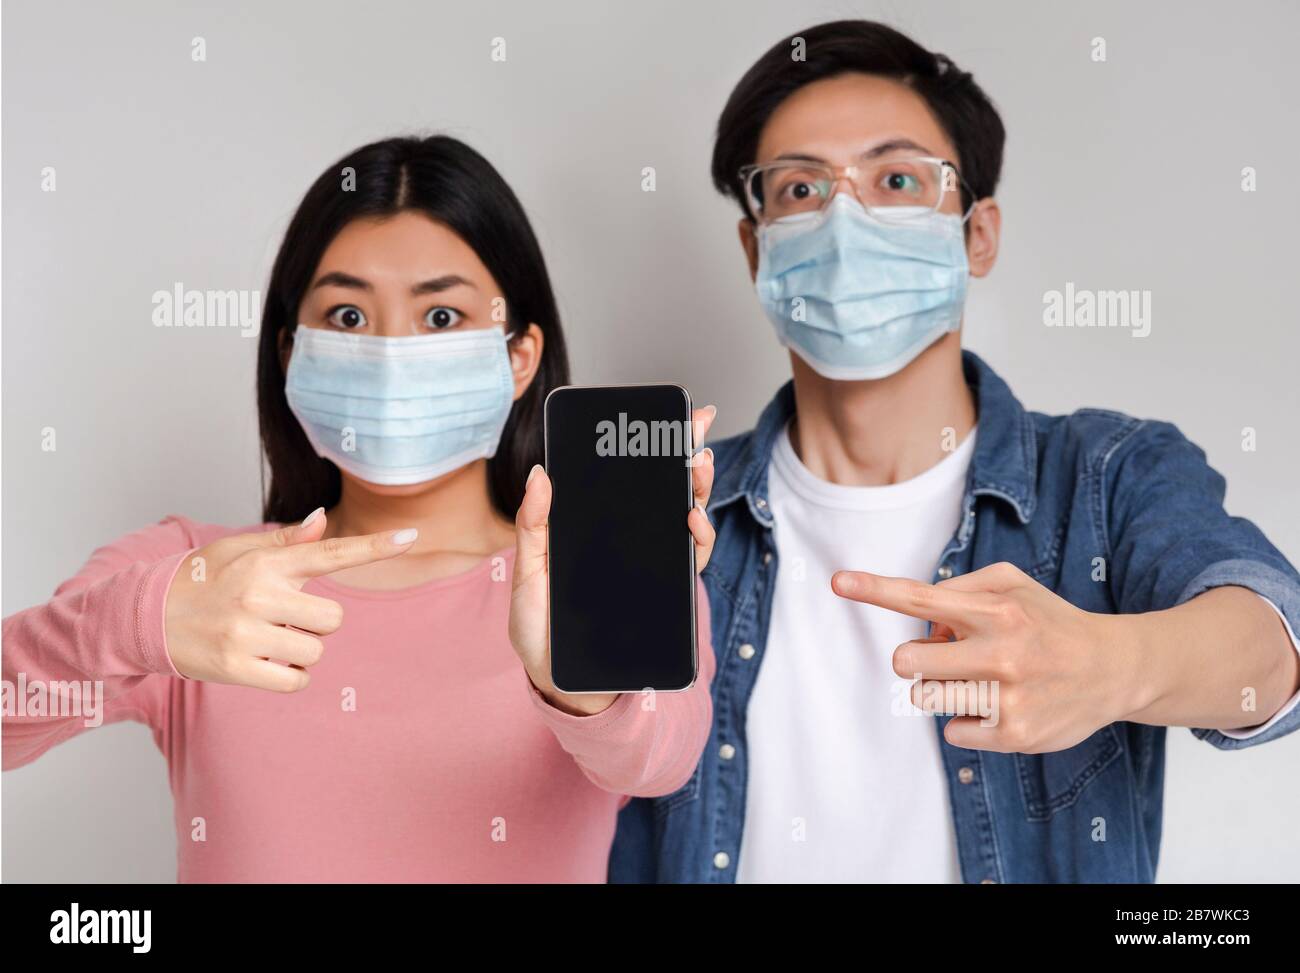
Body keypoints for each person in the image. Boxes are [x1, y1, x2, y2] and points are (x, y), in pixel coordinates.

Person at [609, 20, 1300, 884]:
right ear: (756, 249)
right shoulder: (669, 505)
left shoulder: (1104, 474)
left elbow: (1273, 657)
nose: (844, 218)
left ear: (978, 234)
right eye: (798, 189)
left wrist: (1111, 665)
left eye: (897, 179)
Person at [2, 135, 719, 883]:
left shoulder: (588, 578)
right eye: (347, 316)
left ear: (519, 358)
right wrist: (141, 621)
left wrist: (581, 673)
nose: (388, 353)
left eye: (441, 317)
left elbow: (661, 762)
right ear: (290, 352)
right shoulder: (201, 578)